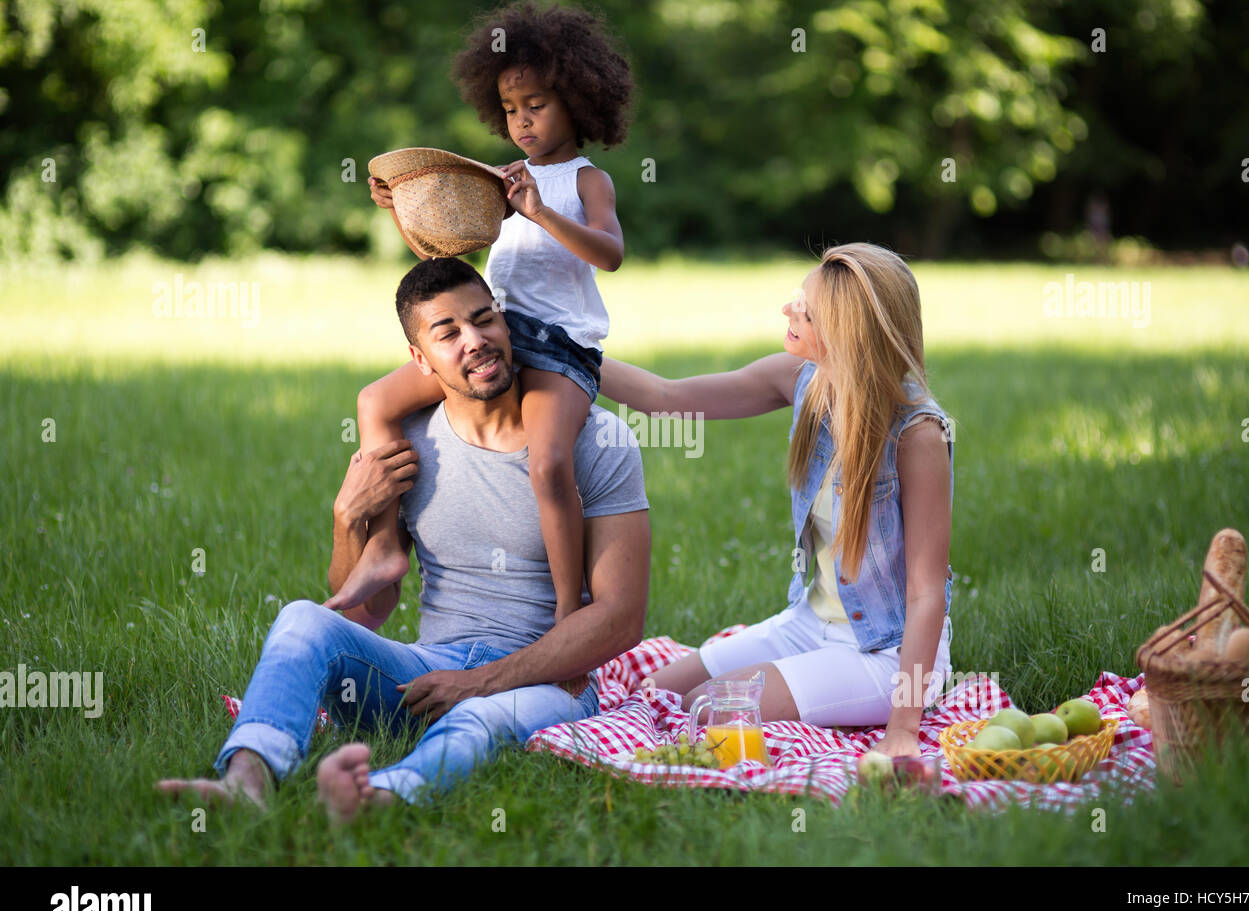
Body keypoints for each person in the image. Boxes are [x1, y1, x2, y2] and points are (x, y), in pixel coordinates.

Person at [157, 256, 650, 820]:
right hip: (428, 672)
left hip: (545, 682)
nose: (476, 341)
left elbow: (619, 618)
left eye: (485, 319)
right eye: (448, 332)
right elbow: (366, 606)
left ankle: (381, 798)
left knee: (480, 717)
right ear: (419, 359)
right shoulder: (410, 442)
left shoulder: (598, 441)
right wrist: (347, 518)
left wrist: (479, 683)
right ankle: (248, 780)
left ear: (507, 324)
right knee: (302, 619)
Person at [328, 0, 634, 627]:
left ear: (577, 99)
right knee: (375, 402)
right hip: (497, 329)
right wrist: (397, 209)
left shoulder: (585, 181)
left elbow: (611, 255)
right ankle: (385, 545)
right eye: (510, 110)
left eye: (537, 106)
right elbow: (443, 262)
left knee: (547, 463)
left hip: (558, 347)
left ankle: (565, 606)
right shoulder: (506, 180)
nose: (521, 122)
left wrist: (540, 211)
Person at [600, 242, 955, 758]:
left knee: (712, 709)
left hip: (885, 654)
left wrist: (902, 731)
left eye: (806, 312)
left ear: (845, 335)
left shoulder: (917, 435)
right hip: (809, 624)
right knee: (658, 691)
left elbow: (928, 595)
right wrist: (569, 355)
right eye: (797, 298)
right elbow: (666, 398)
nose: (788, 311)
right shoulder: (802, 380)